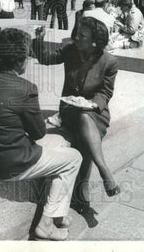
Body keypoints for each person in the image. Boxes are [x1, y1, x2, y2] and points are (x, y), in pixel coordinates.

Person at [0, 28, 82, 241]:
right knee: (74, 158)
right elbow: (37, 133)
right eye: (26, 56)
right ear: (20, 62)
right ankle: (46, 224)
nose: (27, 61)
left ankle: (59, 213)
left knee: (62, 143)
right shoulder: (25, 88)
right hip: (11, 163)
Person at [32, 17, 121, 211]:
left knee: (85, 121)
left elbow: (105, 93)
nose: (76, 37)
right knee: (82, 121)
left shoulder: (109, 61)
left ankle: (87, 186)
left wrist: (92, 104)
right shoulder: (70, 51)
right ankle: (102, 174)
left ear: (95, 40)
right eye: (76, 33)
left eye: (82, 35)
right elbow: (46, 58)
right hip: (70, 109)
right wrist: (38, 41)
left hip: (96, 113)